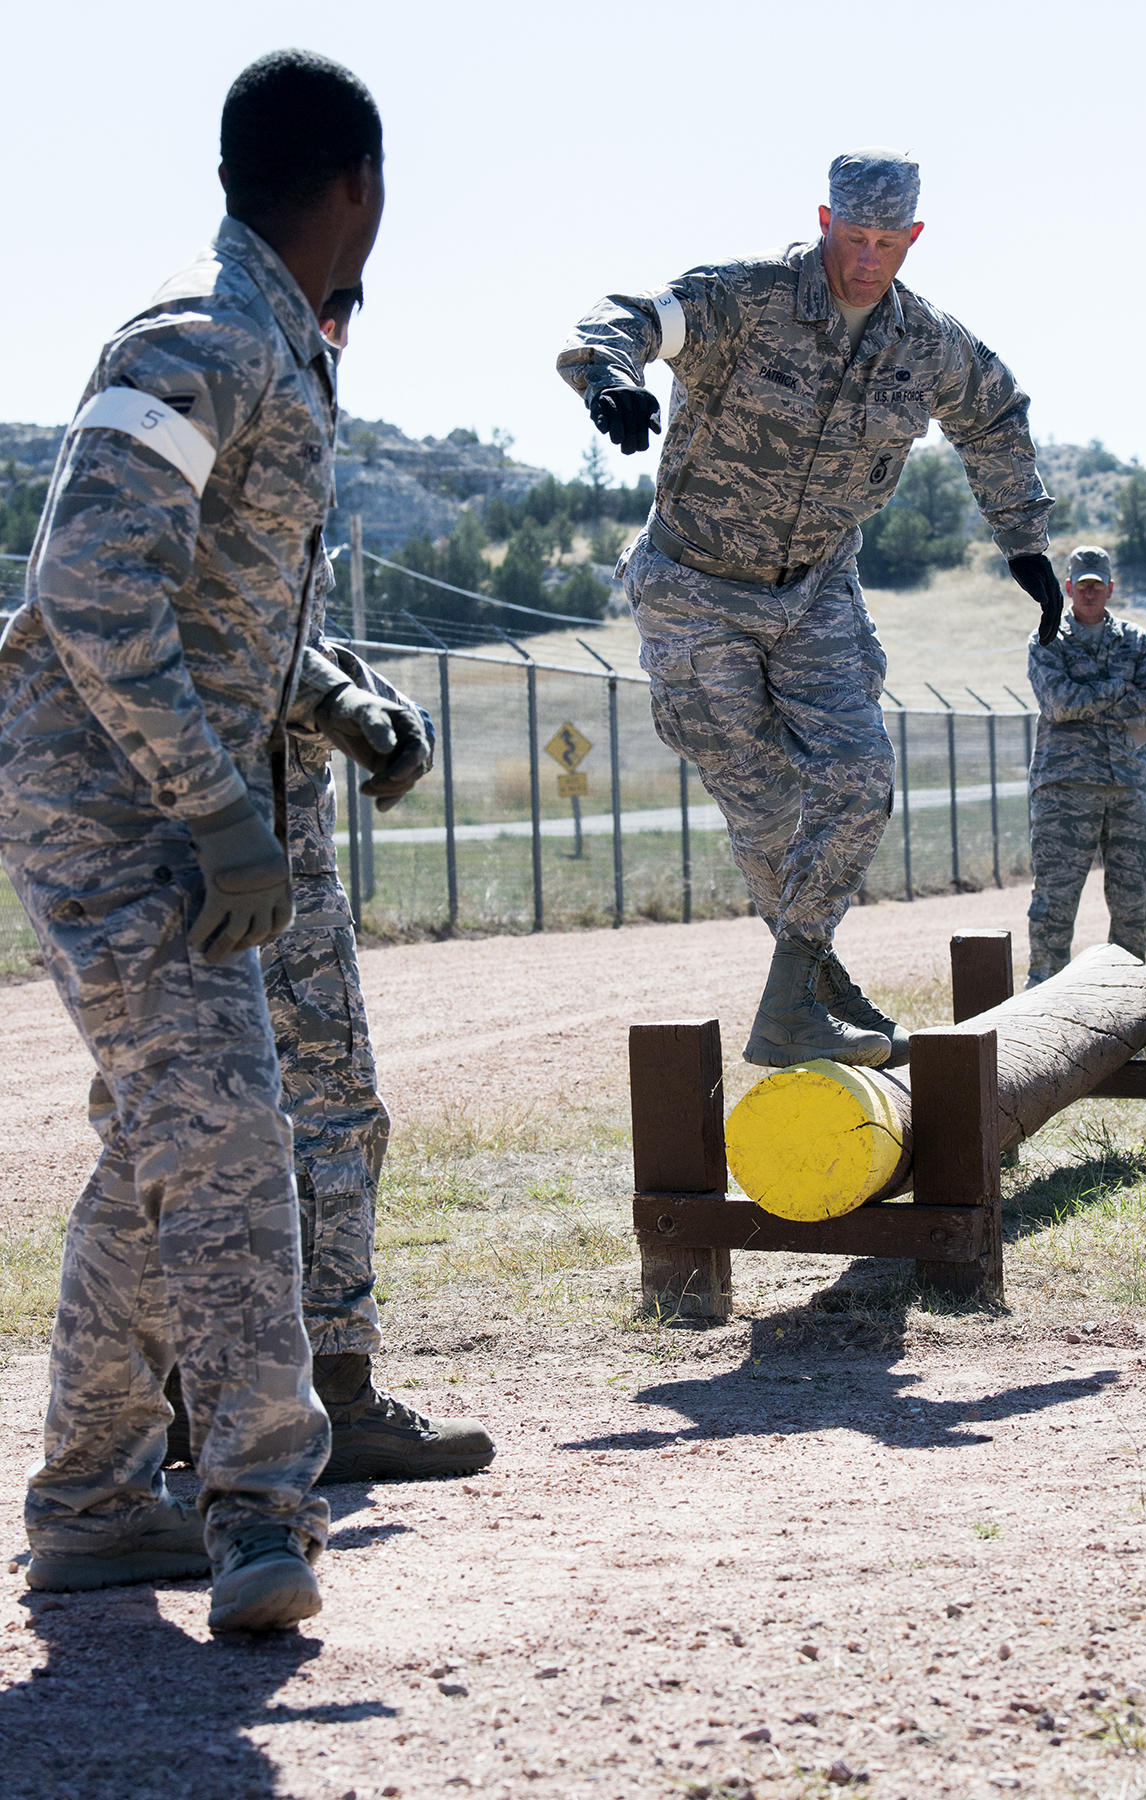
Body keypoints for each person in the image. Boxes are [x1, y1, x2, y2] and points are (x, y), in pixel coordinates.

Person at [0, 50, 383, 1633]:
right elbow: (88, 590)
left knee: (163, 1135)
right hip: (110, 803)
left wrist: (329, 702)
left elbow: (206, 604)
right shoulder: (205, 334)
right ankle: (255, 1510)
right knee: (234, 1131)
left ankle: (93, 1500)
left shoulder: (271, 345)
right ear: (360, 192)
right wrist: (220, 812)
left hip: (163, 792)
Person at [558, 147, 1060, 1070]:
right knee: (766, 816)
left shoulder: (927, 343)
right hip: (695, 591)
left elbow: (993, 414)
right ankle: (817, 985)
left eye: (886, 243)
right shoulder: (742, 299)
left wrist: (1023, 540)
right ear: (824, 222)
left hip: (818, 586)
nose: (866, 260)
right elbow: (625, 318)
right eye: (852, 237)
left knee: (860, 776)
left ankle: (791, 1002)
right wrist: (609, 378)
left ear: (913, 239)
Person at [165, 284, 496, 1483]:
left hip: (273, 809)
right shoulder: (201, 391)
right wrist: (333, 696)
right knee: (231, 1128)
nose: (334, 337)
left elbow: (264, 619)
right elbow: (183, 609)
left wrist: (348, 690)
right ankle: (229, 1409)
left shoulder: (272, 408)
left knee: (310, 1114)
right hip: (194, 828)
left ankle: (311, 1391)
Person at [1026, 545, 1146, 986]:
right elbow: (1059, 703)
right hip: (1066, 788)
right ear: (1068, 588)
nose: (1089, 592)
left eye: (1097, 585)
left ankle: (1125, 998)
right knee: (1055, 900)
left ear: (1110, 588)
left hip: (1131, 785)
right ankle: (1043, 1000)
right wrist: (1119, 689)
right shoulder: (1047, 638)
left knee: (1135, 897)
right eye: (1082, 585)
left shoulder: (1136, 640)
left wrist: (1091, 696)